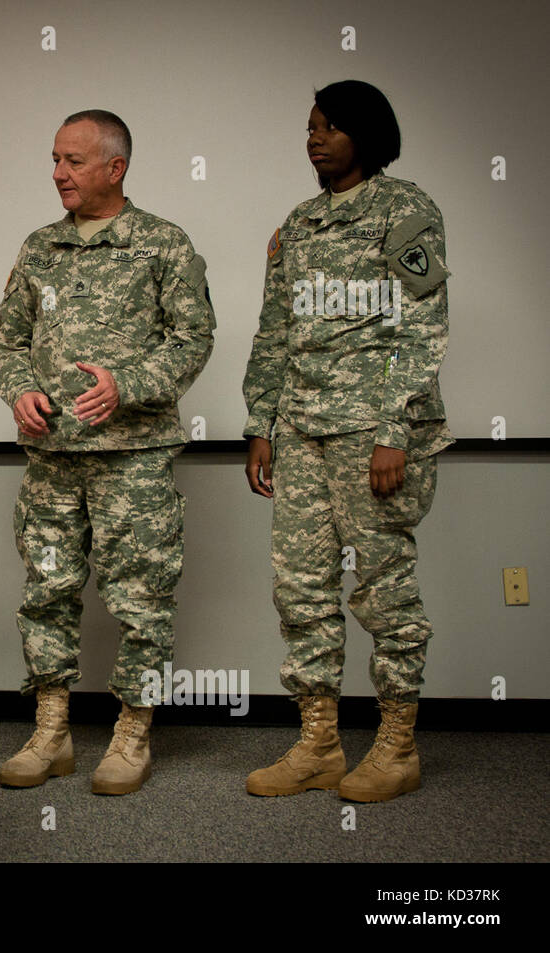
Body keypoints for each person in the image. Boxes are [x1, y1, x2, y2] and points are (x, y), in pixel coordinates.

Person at [0, 110, 214, 795]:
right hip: (52, 457)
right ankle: (52, 730)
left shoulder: (163, 245)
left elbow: (193, 340)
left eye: (75, 161)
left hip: (133, 457)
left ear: (115, 168)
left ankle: (132, 732)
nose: (59, 173)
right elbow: (7, 344)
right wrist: (19, 389)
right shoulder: (38, 248)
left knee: (141, 597)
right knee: (47, 590)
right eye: (55, 158)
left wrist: (130, 386)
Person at [243, 80, 451, 803]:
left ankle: (397, 747)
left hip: (372, 435)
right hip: (300, 430)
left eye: (329, 127)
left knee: (384, 587)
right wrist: (261, 425)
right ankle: (319, 743)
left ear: (366, 134)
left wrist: (395, 428)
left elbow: (421, 329)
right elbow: (275, 331)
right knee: (300, 588)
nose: (315, 137)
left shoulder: (407, 209)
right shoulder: (296, 225)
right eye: (309, 126)